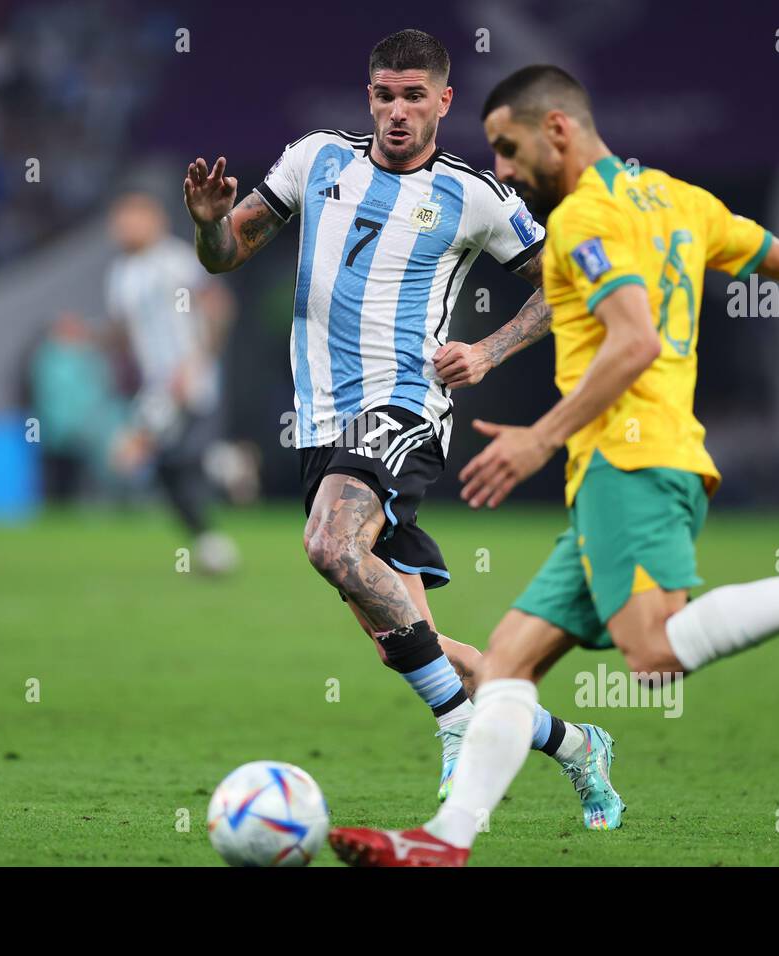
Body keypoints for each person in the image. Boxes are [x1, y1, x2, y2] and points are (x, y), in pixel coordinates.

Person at [328, 64, 779, 866]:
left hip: (633, 463)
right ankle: (443, 844)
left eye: (509, 150)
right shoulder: (675, 200)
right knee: (510, 663)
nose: (505, 172)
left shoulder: (586, 219)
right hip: (633, 468)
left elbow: (634, 341)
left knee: (651, 654)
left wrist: (536, 439)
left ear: (557, 129)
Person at [184, 30, 600, 802]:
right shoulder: (316, 161)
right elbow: (224, 254)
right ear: (368, 95)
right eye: (385, 95)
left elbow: (564, 283)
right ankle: (574, 743)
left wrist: (489, 351)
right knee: (406, 642)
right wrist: (209, 224)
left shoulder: (472, 195)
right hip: (321, 424)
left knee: (330, 544)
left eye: (415, 96)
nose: (398, 112)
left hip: (404, 405)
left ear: (444, 101)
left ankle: (451, 724)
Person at [107, 191, 239, 574]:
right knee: (163, 466)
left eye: (132, 218)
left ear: (154, 220)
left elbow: (218, 307)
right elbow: (123, 335)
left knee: (169, 455)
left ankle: (222, 466)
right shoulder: (121, 273)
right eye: (119, 220)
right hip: (155, 384)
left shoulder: (175, 259)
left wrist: (197, 363)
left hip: (188, 379)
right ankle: (214, 517)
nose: (123, 227)